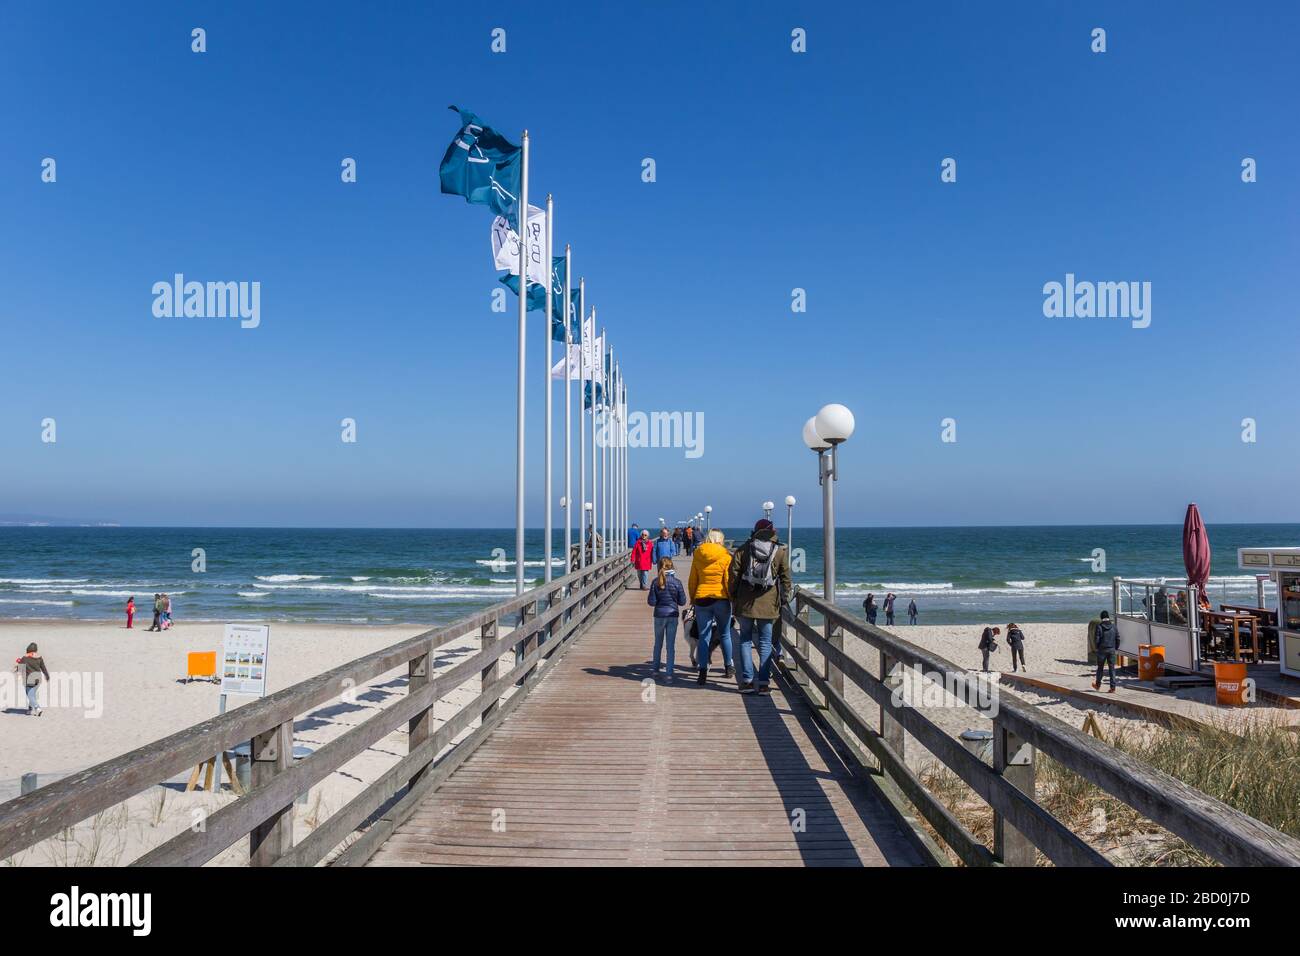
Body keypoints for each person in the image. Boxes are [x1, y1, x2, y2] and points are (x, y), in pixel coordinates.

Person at [728, 518, 793, 695]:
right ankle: (764, 684)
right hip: (769, 602)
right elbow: (786, 577)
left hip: (745, 602)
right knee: (765, 642)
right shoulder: (779, 551)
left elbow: (733, 573)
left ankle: (747, 681)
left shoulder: (744, 549)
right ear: (772, 532)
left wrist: (732, 594)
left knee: (745, 640)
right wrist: (785, 597)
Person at [689, 529, 734, 684]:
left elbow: (693, 580)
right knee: (725, 634)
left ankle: (702, 672)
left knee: (703, 636)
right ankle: (728, 667)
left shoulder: (698, 554)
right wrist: (731, 598)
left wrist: (692, 598)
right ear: (720, 540)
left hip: (702, 599)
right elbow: (727, 580)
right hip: (721, 599)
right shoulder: (726, 556)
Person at [647, 557, 687, 681]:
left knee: (658, 644)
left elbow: (651, 602)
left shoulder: (655, 582)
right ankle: (669, 674)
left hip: (659, 615)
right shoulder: (677, 582)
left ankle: (655, 670)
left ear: (659, 567)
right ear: (672, 566)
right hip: (672, 615)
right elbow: (682, 601)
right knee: (670, 646)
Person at [15, 643, 50, 716]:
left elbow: (20, 669)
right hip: (38, 680)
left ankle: (37, 708)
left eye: (28, 652)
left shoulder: (24, 658)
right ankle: (30, 709)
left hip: (29, 681)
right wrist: (47, 676)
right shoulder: (39, 658)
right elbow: (43, 668)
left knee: (30, 695)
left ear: (29, 651)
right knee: (32, 695)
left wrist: (17, 672)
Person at [1092, 610, 1118, 693]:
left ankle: (1097, 685)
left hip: (1102, 650)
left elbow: (1097, 639)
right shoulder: (1114, 626)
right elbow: (1118, 638)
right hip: (1111, 650)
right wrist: (1116, 647)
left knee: (1100, 668)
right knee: (1112, 669)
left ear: (1101, 618)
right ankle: (1113, 688)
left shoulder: (1099, 626)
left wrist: (1097, 647)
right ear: (1108, 617)